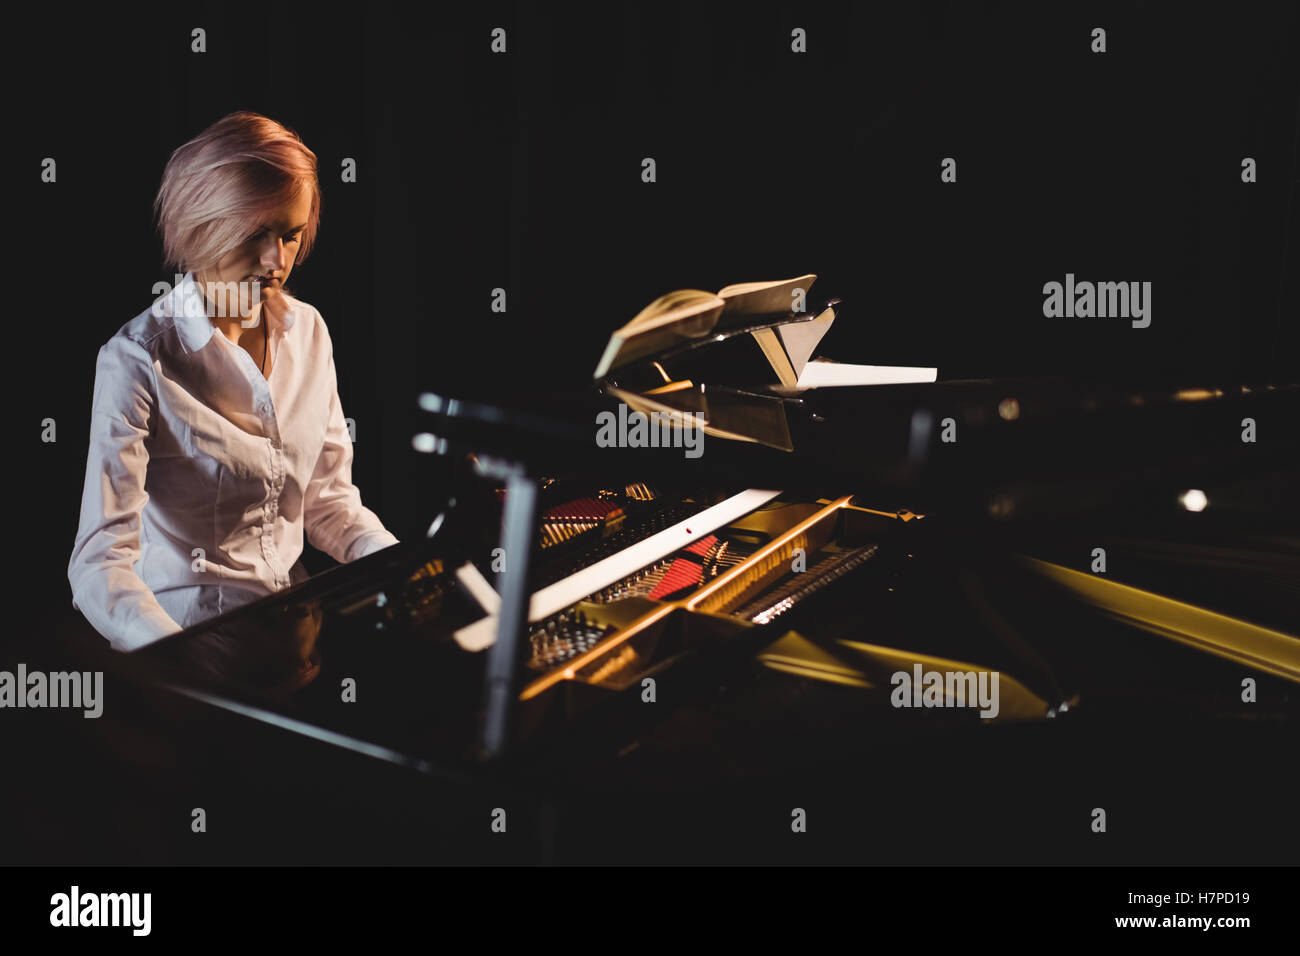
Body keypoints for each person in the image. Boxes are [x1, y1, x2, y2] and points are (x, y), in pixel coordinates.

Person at [68, 111, 398, 652]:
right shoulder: (137, 360)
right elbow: (99, 563)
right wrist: (174, 657)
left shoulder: (309, 331)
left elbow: (329, 505)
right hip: (187, 643)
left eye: (291, 235)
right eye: (256, 235)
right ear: (201, 225)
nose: (277, 260)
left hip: (295, 639)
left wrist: (410, 571)